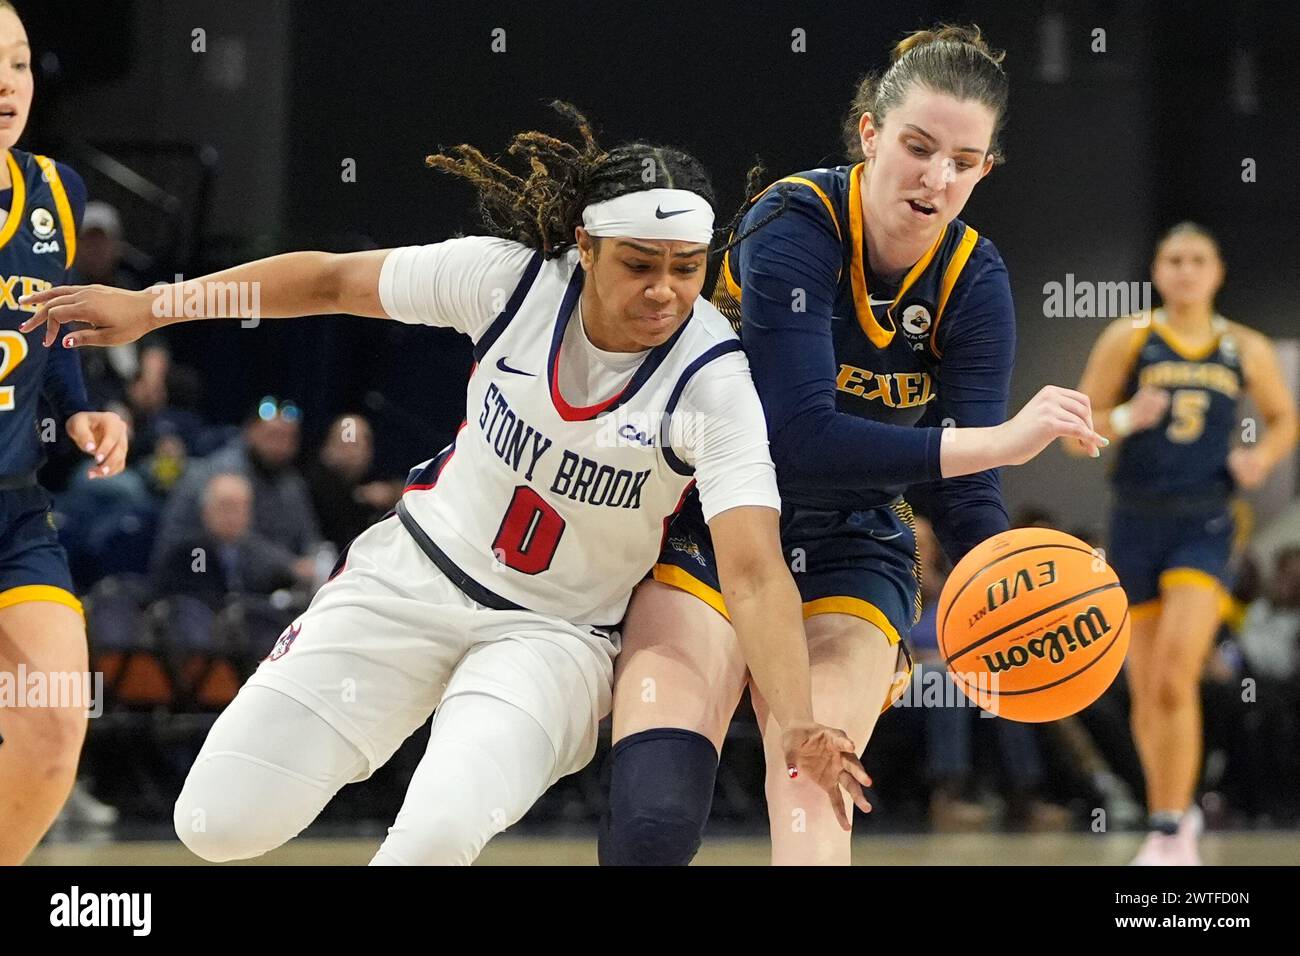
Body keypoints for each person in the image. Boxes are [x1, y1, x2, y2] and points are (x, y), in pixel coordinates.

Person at [23, 105, 872, 865]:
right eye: (639, 264)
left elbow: (756, 567)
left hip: (555, 638)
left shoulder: (713, 380)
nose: (664, 291)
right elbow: (327, 281)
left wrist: (795, 717)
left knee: (429, 838)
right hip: (414, 576)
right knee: (213, 822)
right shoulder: (510, 284)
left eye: (686, 268)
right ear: (584, 246)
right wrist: (152, 307)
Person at [601, 25, 1106, 865]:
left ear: (986, 169)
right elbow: (796, 440)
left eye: (965, 161)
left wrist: (1012, 593)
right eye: (918, 146)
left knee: (811, 800)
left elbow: (961, 492)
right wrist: (994, 444)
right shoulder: (793, 222)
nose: (937, 178)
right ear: (870, 132)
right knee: (655, 818)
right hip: (719, 524)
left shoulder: (976, 282)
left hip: (855, 548)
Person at [1071, 221, 1299, 864]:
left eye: (1199, 259)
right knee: (1146, 689)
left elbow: (1285, 417)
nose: (1187, 270)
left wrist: (1262, 457)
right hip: (1135, 519)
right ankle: (1171, 813)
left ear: (1217, 272)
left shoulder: (1241, 347)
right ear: (1158, 270)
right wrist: (1123, 418)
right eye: (1174, 259)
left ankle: (1171, 826)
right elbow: (1075, 428)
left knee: (1176, 672)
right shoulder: (1130, 337)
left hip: (1204, 522)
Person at [0, 0, 129, 864]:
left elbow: (53, 328)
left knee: (52, 722)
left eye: (15, 63)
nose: (6, 85)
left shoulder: (55, 191)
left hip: (12, 513)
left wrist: (79, 405)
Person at [150, 472, 301, 607]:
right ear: (206, 510)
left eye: (242, 507)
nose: (234, 515)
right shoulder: (195, 553)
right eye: (227, 506)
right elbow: (199, 595)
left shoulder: (255, 553)